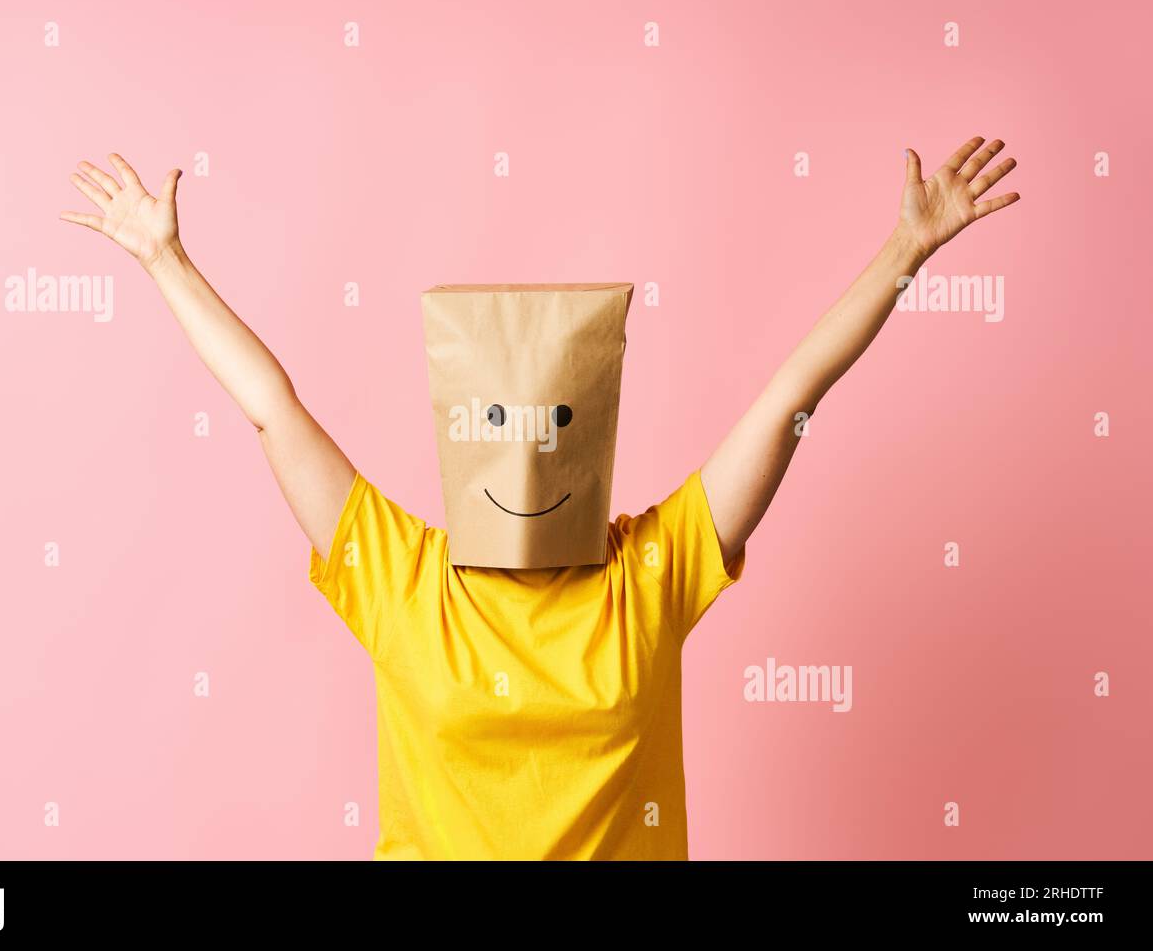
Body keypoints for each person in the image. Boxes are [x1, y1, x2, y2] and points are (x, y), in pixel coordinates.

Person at [60, 138, 1020, 858]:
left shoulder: (652, 571)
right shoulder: (404, 578)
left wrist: (907, 250)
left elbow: (788, 398)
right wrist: (163, 261)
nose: (526, 452)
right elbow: (275, 410)